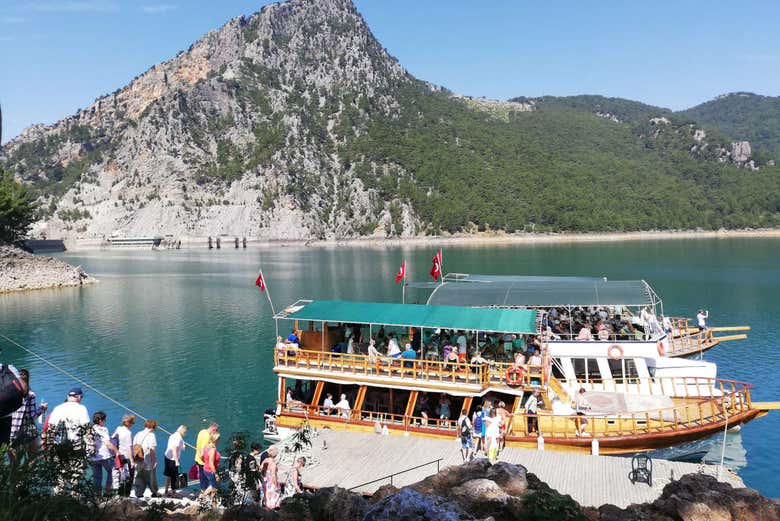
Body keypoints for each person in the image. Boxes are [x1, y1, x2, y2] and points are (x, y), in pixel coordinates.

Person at [10, 369, 47, 447]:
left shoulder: (10, 393)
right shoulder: (30, 395)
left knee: (14, 454)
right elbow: (32, 416)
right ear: (28, 378)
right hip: (28, 429)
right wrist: (42, 409)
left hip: (12, 429)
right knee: (32, 455)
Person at [90, 411, 117, 494]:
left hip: (92, 457)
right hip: (104, 456)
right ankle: (108, 493)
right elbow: (108, 444)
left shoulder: (90, 429)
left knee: (97, 477)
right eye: (104, 420)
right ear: (101, 420)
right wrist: (117, 451)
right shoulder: (103, 429)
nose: (105, 421)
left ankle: (97, 496)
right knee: (112, 471)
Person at [133, 418, 158, 498]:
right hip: (147, 461)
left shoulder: (137, 434)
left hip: (138, 460)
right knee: (151, 478)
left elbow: (134, 447)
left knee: (139, 477)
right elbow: (152, 449)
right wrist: (154, 461)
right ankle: (154, 493)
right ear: (153, 426)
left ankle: (139, 493)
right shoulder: (151, 435)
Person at [112, 414, 135, 496]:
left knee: (121, 476)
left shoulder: (118, 428)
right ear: (129, 423)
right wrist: (132, 461)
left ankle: (119, 494)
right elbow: (128, 448)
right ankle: (126, 495)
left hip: (118, 456)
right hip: (126, 457)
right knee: (129, 477)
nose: (133, 424)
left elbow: (113, 438)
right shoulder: (128, 433)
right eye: (133, 423)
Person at [195, 422, 219, 493]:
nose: (215, 432)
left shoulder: (202, 431)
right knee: (207, 480)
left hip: (197, 458)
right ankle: (204, 495)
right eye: (216, 430)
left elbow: (198, 444)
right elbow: (203, 450)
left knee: (202, 479)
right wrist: (206, 462)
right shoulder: (207, 436)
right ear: (213, 429)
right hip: (203, 462)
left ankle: (203, 493)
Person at [164, 425, 187, 497]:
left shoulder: (173, 435)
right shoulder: (178, 438)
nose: (185, 434)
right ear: (183, 431)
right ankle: (174, 493)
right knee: (174, 477)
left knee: (169, 475)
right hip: (173, 459)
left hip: (167, 457)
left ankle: (166, 490)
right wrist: (177, 461)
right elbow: (174, 449)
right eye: (185, 432)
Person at [201, 432, 221, 505]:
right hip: (211, 471)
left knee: (213, 485)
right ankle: (214, 506)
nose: (219, 440)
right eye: (219, 438)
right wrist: (216, 474)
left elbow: (202, 457)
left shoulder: (208, 446)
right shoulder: (213, 450)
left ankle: (203, 497)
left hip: (206, 469)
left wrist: (205, 463)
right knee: (214, 489)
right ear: (216, 440)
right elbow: (211, 464)